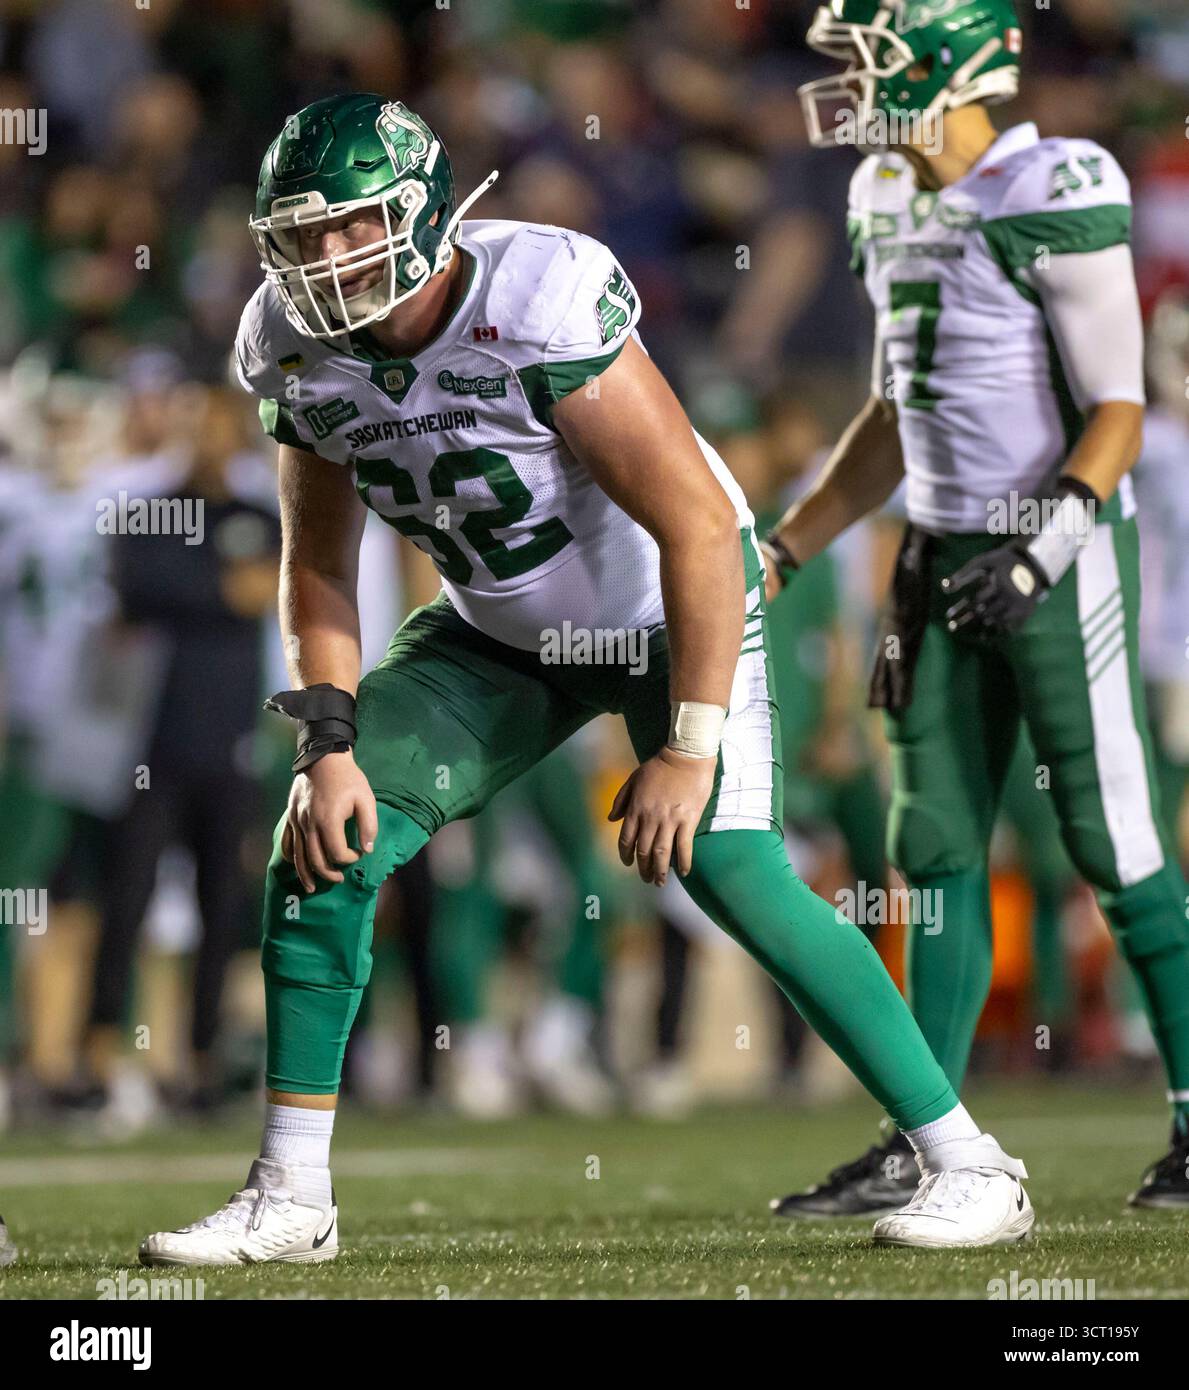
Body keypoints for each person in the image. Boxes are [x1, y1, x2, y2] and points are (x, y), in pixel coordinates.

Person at [140, 93, 1032, 1265]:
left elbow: (705, 528)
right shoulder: (290, 342)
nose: (322, 257)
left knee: (730, 863)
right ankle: (289, 1195)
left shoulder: (536, 296)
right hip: (492, 633)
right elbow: (318, 561)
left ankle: (969, 1161)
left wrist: (688, 744)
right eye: (298, 236)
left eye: (350, 228)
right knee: (323, 848)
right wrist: (328, 740)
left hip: (668, 614)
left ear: (417, 215)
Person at [766, 0, 1189, 1218]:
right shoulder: (884, 197)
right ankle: (928, 1134)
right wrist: (789, 546)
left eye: (869, 59)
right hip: (936, 552)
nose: (848, 81)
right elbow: (893, 418)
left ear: (953, 63)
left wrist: (1040, 550)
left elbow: (1118, 408)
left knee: (1117, 840)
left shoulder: (1050, 179)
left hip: (1053, 552)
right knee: (932, 850)